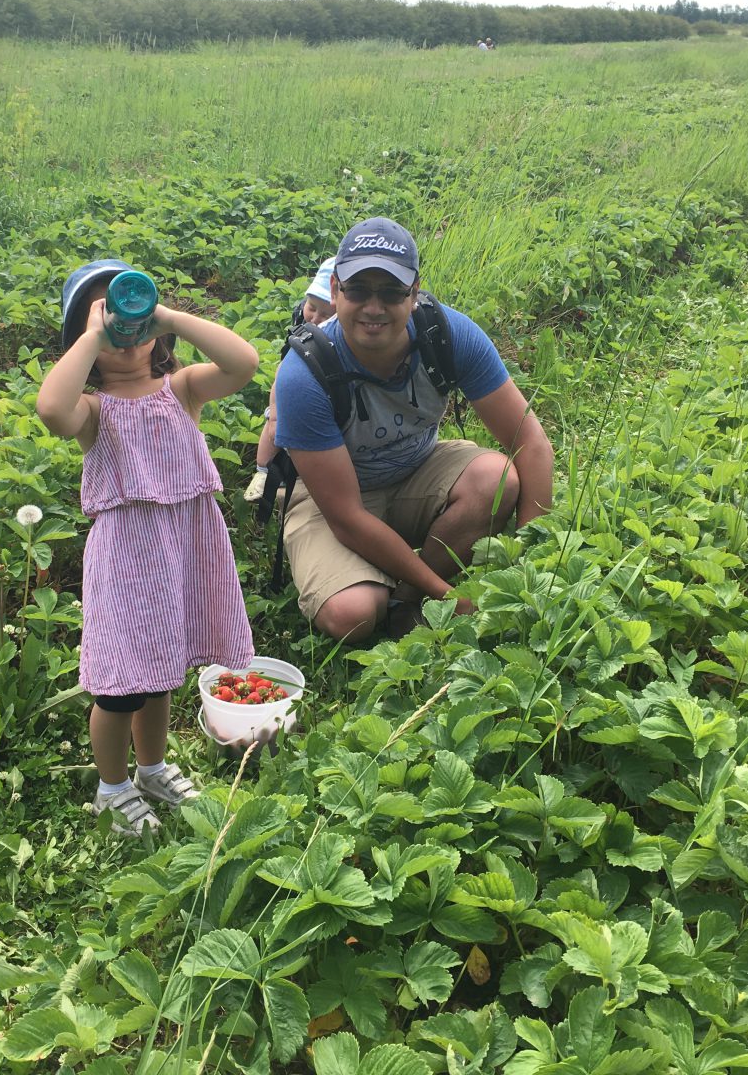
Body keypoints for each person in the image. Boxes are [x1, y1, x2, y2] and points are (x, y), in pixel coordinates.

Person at [36, 260, 259, 836]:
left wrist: (166, 316)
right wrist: (91, 335)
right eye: (107, 321)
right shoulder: (94, 412)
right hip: (127, 560)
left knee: (162, 673)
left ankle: (153, 767)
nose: (126, 333)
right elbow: (52, 412)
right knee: (120, 687)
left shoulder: (182, 390)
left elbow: (244, 363)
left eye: (132, 319)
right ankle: (112, 787)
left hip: (183, 549)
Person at [272, 216, 555, 642]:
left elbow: (530, 442)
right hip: (330, 501)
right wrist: (447, 595)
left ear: (414, 293)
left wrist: (534, 569)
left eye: (390, 292)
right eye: (358, 290)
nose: (374, 307)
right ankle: (404, 594)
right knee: (353, 615)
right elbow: (347, 518)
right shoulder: (304, 374)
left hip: (418, 467)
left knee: (494, 479)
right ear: (335, 291)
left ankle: (406, 602)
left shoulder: (448, 335)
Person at [244, 256, 338, 503]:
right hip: (290, 396)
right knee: (271, 432)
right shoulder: (302, 331)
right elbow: (282, 374)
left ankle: (300, 481)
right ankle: (262, 473)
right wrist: (275, 414)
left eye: (326, 313)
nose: (315, 318)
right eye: (311, 307)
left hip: (322, 402)